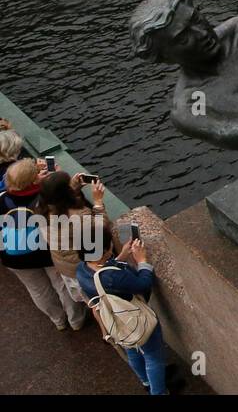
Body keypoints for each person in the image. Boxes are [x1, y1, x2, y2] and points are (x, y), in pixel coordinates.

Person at [2, 159, 88, 331]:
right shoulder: (43, 199)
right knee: (61, 285)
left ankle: (58, 320)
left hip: (12, 254)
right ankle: (76, 320)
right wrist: (59, 179)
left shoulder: (3, 198)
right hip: (44, 251)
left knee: (38, 290)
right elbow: (64, 205)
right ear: (34, 180)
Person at [78, 234, 169, 393]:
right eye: (109, 247)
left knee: (132, 352)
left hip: (115, 321)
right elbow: (143, 284)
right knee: (153, 357)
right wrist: (142, 261)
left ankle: (146, 382)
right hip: (135, 320)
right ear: (105, 252)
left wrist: (121, 257)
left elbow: (103, 272)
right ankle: (159, 392)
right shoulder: (113, 276)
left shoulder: (82, 269)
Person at [39, 170, 114, 326]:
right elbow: (101, 228)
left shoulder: (41, 207)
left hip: (65, 267)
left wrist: (73, 187)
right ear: (65, 194)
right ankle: (108, 328)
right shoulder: (77, 216)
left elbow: (58, 202)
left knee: (87, 299)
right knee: (98, 303)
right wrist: (98, 202)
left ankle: (80, 321)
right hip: (82, 269)